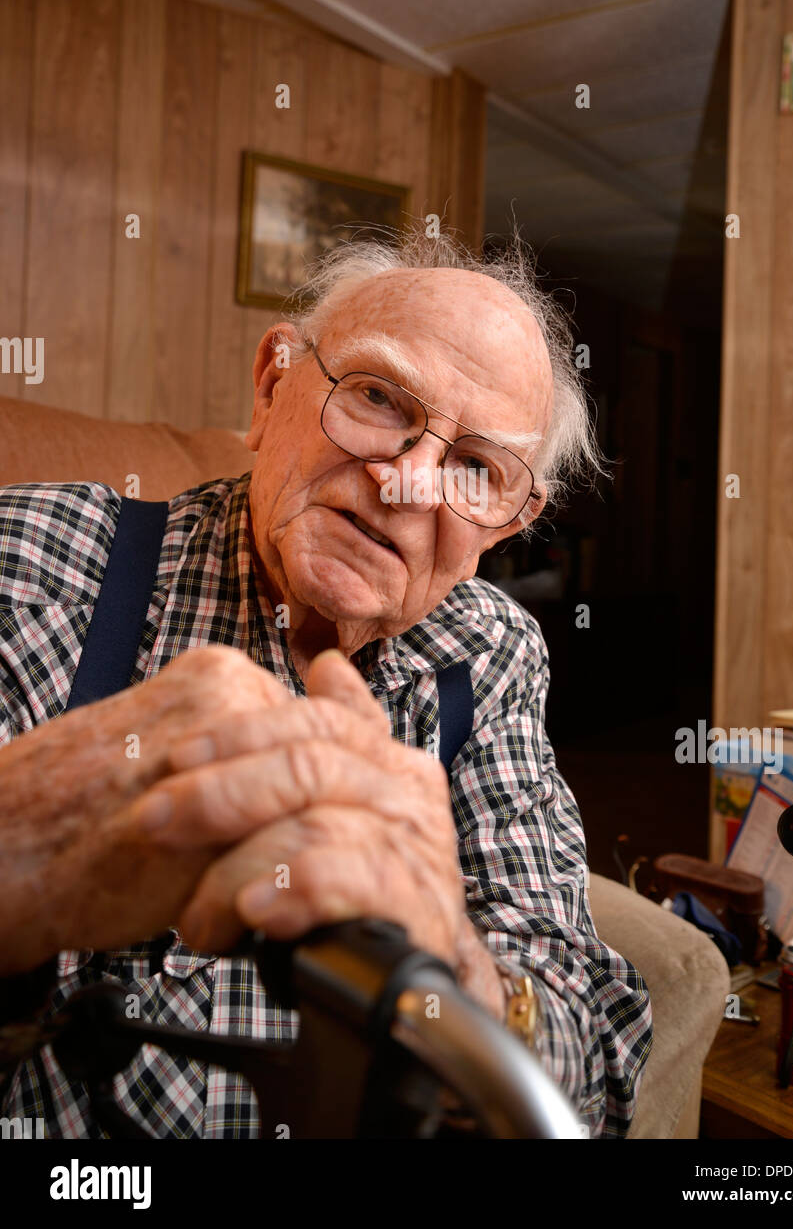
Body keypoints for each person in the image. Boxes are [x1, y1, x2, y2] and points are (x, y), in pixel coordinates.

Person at [0, 225, 651, 1138]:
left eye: (476, 467)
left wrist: (458, 973)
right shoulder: (31, 563)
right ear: (271, 386)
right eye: (381, 398)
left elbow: (596, 1050)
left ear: (507, 526)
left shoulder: (490, 655)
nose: (409, 485)